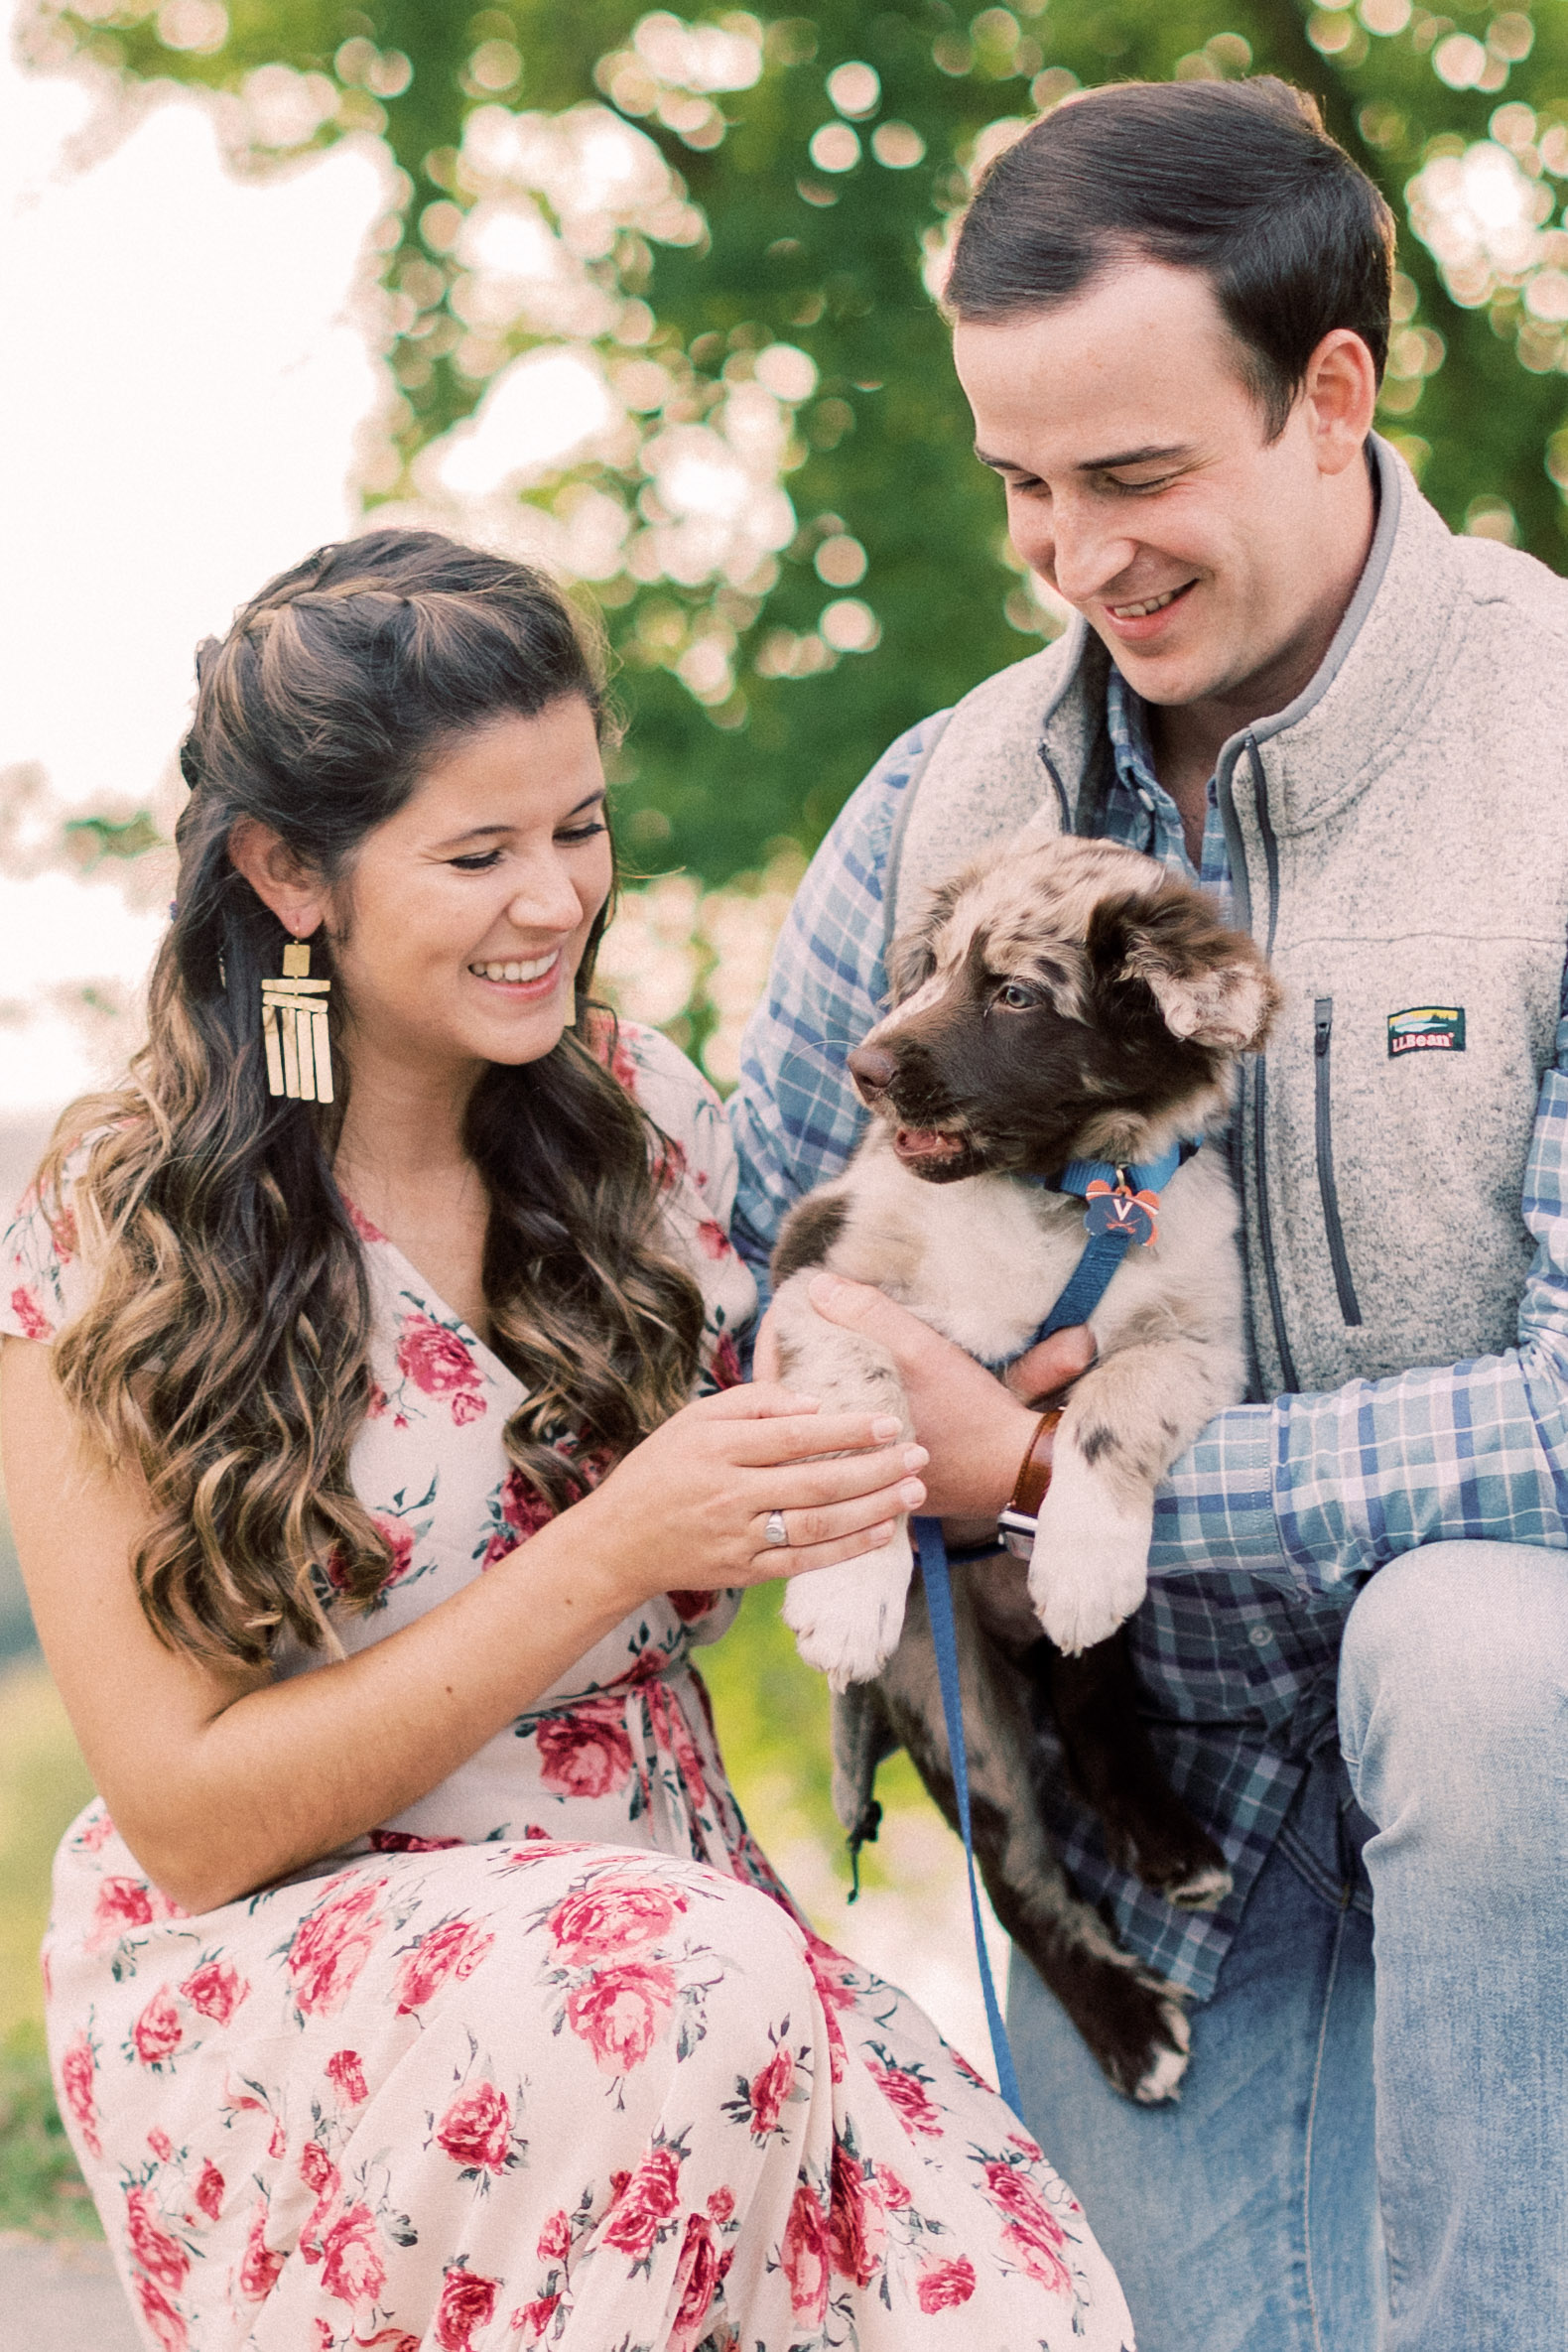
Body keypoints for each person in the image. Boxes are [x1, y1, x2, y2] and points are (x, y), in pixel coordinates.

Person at [0, 533, 1136, 2351]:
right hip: (307, 1979)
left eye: (579, 829)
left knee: (996, 2289)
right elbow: (195, 1821)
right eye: (478, 853)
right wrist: (611, 1546)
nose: (556, 899)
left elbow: (826, 1424)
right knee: (686, 1988)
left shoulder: (639, 1118)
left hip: (686, 1946)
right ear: (290, 872)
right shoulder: (105, 1228)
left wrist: (990, 1431)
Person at [730, 75, 1568, 2352]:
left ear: (1328, 396)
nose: (1072, 559)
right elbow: (745, 1258)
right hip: (1133, 1793)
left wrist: (1071, 1479)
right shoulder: (942, 795)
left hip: (1526, 1802)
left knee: (1486, 1658)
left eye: (1131, 477)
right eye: (1023, 485)